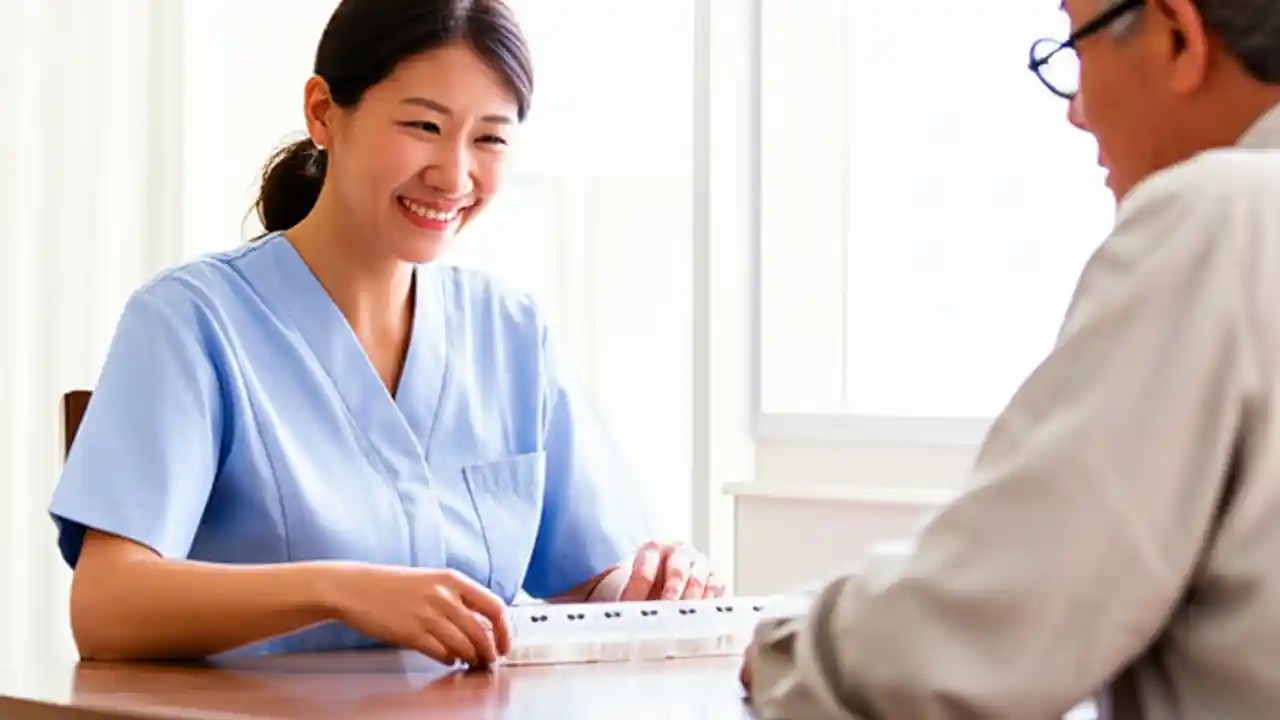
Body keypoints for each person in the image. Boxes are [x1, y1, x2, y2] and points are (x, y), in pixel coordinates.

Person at [48, 0, 723, 668]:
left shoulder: (513, 334)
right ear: (322, 113)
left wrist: (655, 587)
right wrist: (339, 590)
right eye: (423, 125)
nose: (454, 175)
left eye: (489, 138)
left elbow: (587, 580)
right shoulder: (191, 320)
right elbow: (107, 606)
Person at [742, 0, 1280, 718]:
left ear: (1178, 36)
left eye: (1076, 48)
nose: (1076, 113)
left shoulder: (1224, 216)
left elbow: (985, 632)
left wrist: (789, 645)